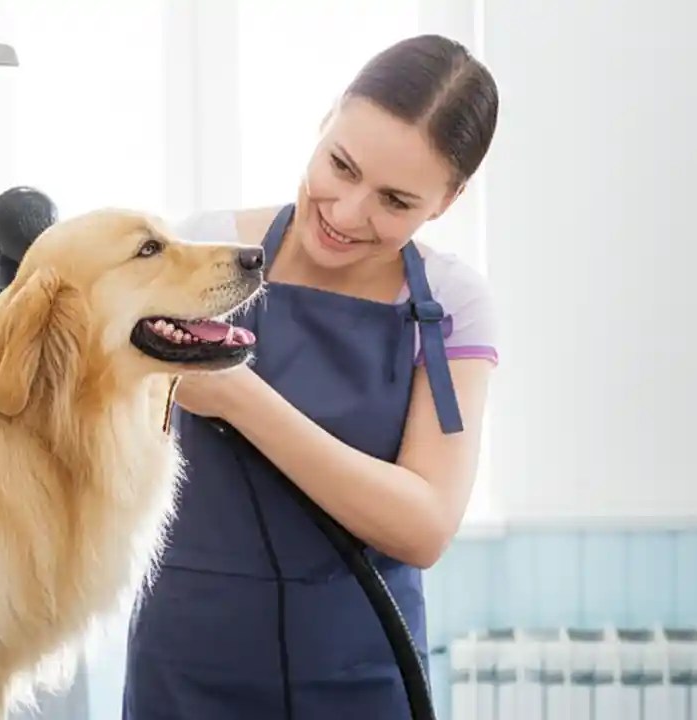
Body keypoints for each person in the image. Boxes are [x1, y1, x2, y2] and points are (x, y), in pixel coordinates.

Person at [121, 33, 500, 719]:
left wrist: (238, 398)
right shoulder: (204, 248)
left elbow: (423, 525)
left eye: (395, 201)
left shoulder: (449, 306)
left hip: (361, 675)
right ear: (325, 120)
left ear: (447, 200)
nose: (347, 213)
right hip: (184, 672)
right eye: (341, 166)